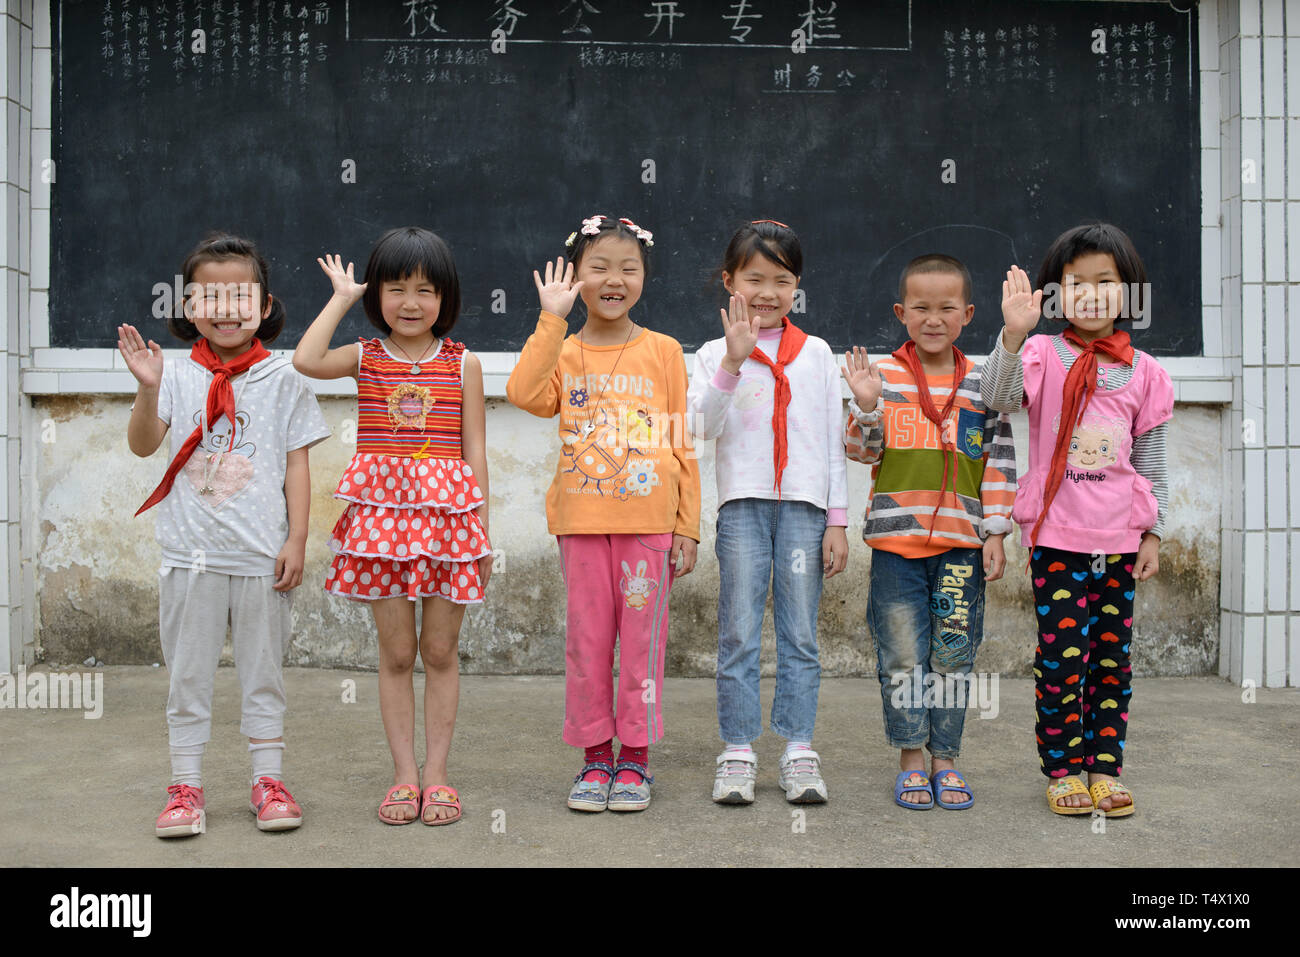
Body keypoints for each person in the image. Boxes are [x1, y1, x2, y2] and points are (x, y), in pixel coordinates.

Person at [123, 232, 330, 837]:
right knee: (188, 674)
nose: (226, 308)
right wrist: (147, 386)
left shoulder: (286, 378)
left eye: (241, 295)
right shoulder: (175, 376)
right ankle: (185, 786)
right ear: (189, 308)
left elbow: (297, 464)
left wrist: (296, 540)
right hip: (190, 559)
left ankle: (268, 779)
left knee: (263, 672)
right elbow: (142, 446)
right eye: (209, 296)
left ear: (265, 306)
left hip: (262, 558)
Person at [292, 227, 492, 826]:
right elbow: (305, 359)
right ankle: (404, 778)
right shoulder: (364, 357)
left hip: (449, 521)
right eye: (396, 288)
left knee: (440, 648)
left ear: (445, 297)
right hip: (381, 520)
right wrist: (341, 298)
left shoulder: (465, 364)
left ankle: (438, 776)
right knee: (399, 652)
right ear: (377, 294)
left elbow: (475, 452)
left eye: (425, 290)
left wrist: (482, 534)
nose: (410, 302)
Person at [506, 215, 701, 813]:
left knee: (641, 646)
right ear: (576, 276)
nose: (614, 280)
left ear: (644, 277)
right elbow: (522, 394)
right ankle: (595, 759)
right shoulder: (562, 351)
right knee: (588, 642)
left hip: (649, 527)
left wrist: (687, 524)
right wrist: (550, 319)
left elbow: (681, 440)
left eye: (628, 269)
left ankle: (635, 762)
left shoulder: (664, 351)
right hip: (582, 524)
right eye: (599, 267)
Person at [983, 223, 1172, 818]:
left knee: (1111, 661)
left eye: (1105, 282)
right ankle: (1063, 769)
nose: (1090, 294)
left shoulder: (1145, 372)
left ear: (1128, 292)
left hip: (1119, 541)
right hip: (1059, 540)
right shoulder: (1042, 354)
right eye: (1076, 282)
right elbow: (997, 398)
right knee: (1065, 659)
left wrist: (1154, 532)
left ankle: (1105, 768)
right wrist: (1013, 337)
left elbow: (1152, 462)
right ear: (1056, 292)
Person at [843, 254, 1015, 810]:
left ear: (967, 314)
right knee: (901, 655)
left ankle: (947, 758)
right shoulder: (884, 376)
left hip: (962, 547)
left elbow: (998, 459)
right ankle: (911, 757)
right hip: (896, 544)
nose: (933, 319)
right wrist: (867, 408)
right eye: (920, 307)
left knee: (954, 654)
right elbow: (859, 453)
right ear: (901, 312)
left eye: (947, 308)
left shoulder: (985, 382)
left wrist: (995, 530)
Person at [687, 220, 848, 805]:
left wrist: (837, 521)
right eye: (754, 278)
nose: (767, 292)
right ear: (730, 281)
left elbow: (833, 442)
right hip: (744, 506)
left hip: (805, 510)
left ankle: (799, 750)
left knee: (801, 633)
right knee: (738, 631)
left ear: (796, 287)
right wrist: (732, 363)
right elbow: (699, 429)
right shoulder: (710, 354)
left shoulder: (818, 354)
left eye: (781, 280)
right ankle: (737, 750)